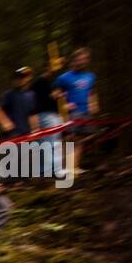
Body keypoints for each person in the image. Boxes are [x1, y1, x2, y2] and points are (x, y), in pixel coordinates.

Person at [55, 47, 99, 176]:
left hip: (85, 111)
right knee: (69, 138)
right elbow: (56, 93)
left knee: (80, 139)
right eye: (80, 58)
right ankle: (65, 169)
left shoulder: (90, 76)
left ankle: (74, 167)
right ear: (74, 60)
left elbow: (92, 91)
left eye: (85, 59)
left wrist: (94, 103)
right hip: (72, 113)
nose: (82, 61)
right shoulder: (64, 77)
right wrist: (65, 104)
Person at [31, 57, 65, 178]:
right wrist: (56, 94)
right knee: (51, 143)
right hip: (46, 115)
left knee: (48, 142)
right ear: (47, 67)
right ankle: (55, 170)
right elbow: (47, 97)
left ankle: (44, 170)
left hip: (52, 114)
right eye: (54, 65)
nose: (57, 67)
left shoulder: (53, 81)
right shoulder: (42, 81)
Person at [0, 67, 38, 139]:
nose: (19, 80)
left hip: (26, 132)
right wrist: (5, 122)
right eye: (16, 78)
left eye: (22, 77)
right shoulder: (9, 94)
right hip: (12, 134)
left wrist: (35, 129)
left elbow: (32, 113)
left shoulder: (31, 94)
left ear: (28, 79)